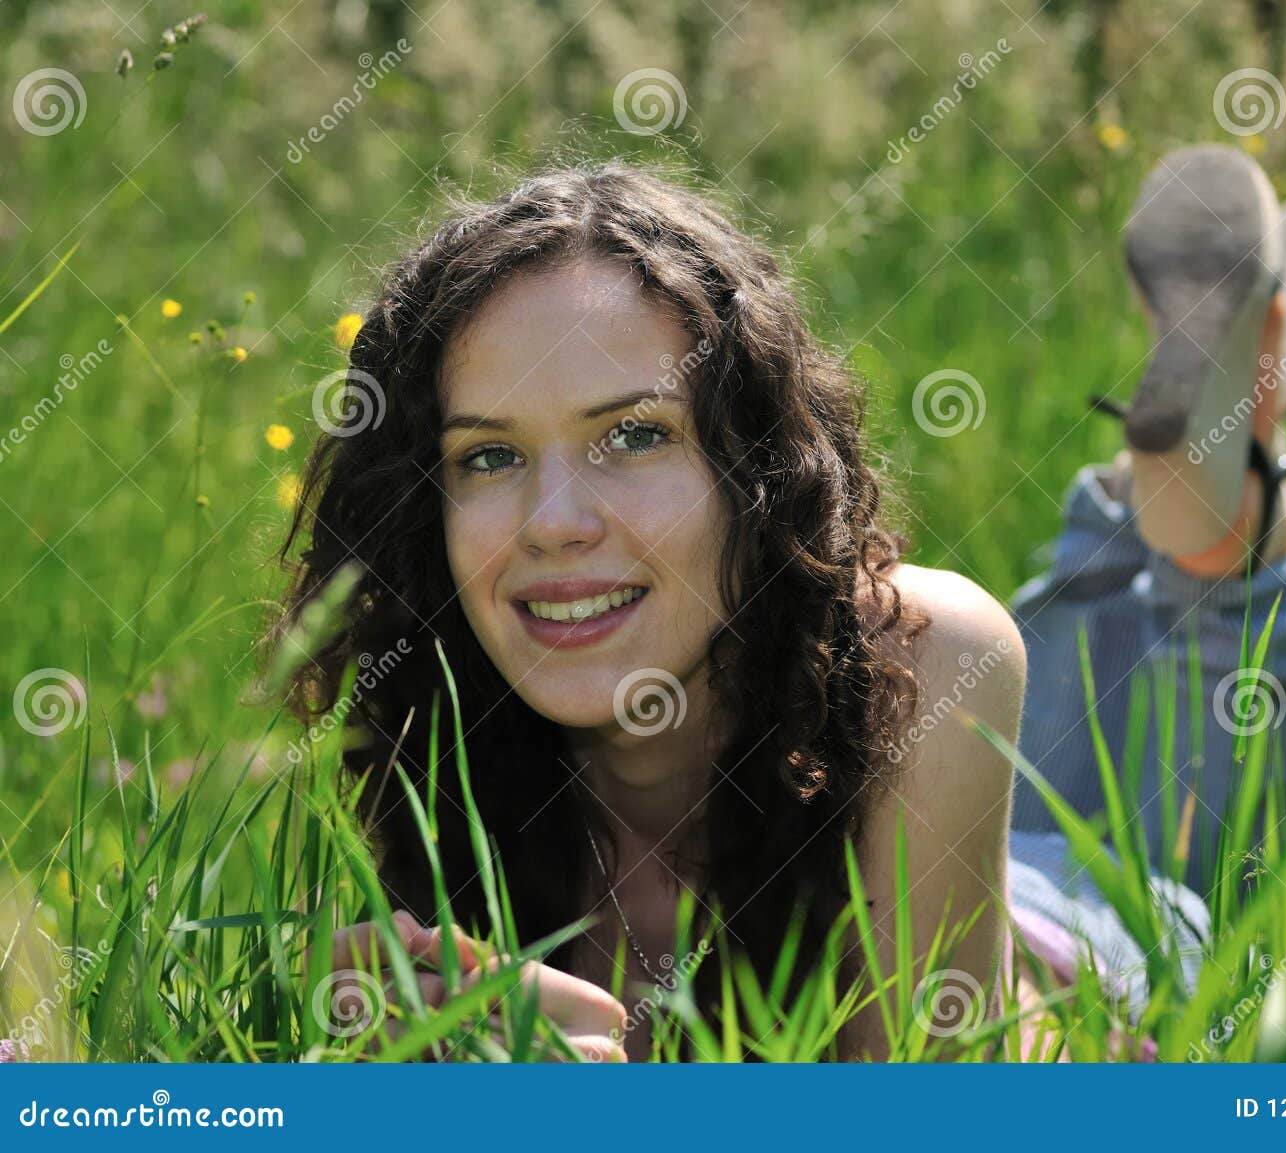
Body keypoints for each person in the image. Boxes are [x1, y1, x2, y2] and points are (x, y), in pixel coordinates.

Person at [273, 161, 1024, 1063]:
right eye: (488, 456)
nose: (553, 524)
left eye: (633, 435)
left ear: (752, 470)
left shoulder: (926, 662)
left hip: (1065, 922)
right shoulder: (416, 704)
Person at [1006, 145, 1286, 1016]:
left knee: (1191, 920)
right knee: (1177, 920)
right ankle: (1232, 469)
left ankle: (1219, 491)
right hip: (983, 898)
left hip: (978, 920)